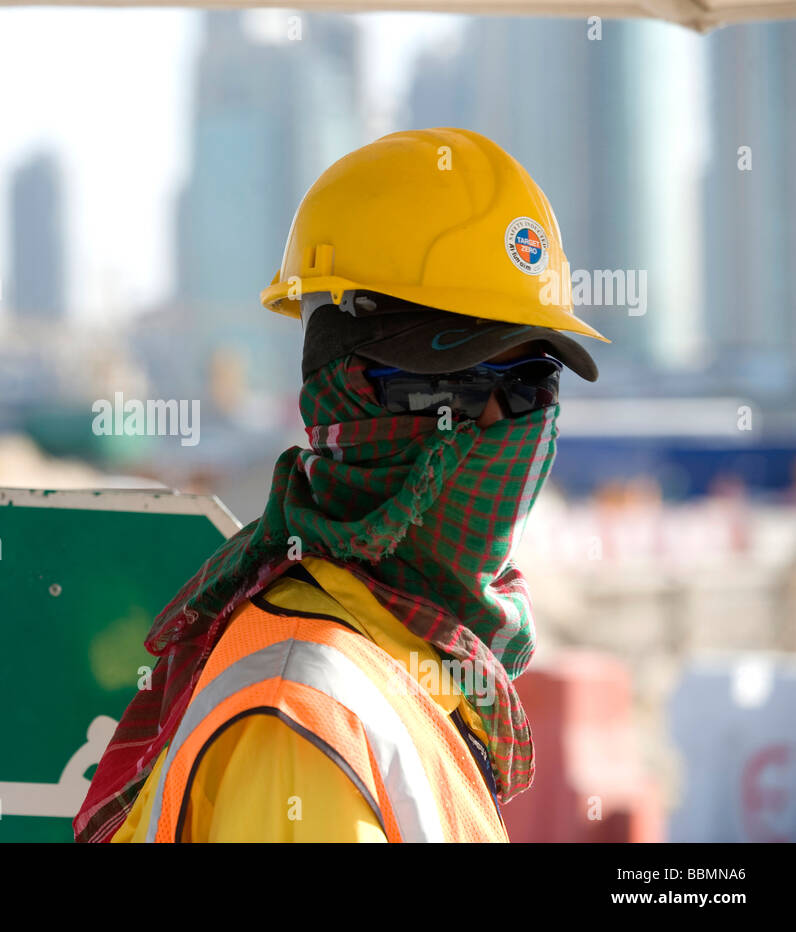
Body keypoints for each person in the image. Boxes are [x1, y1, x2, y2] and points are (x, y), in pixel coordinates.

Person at [74, 127, 608, 843]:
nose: (512, 419)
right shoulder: (306, 716)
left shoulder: (405, 662)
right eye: (475, 387)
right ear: (352, 404)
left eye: (534, 386)